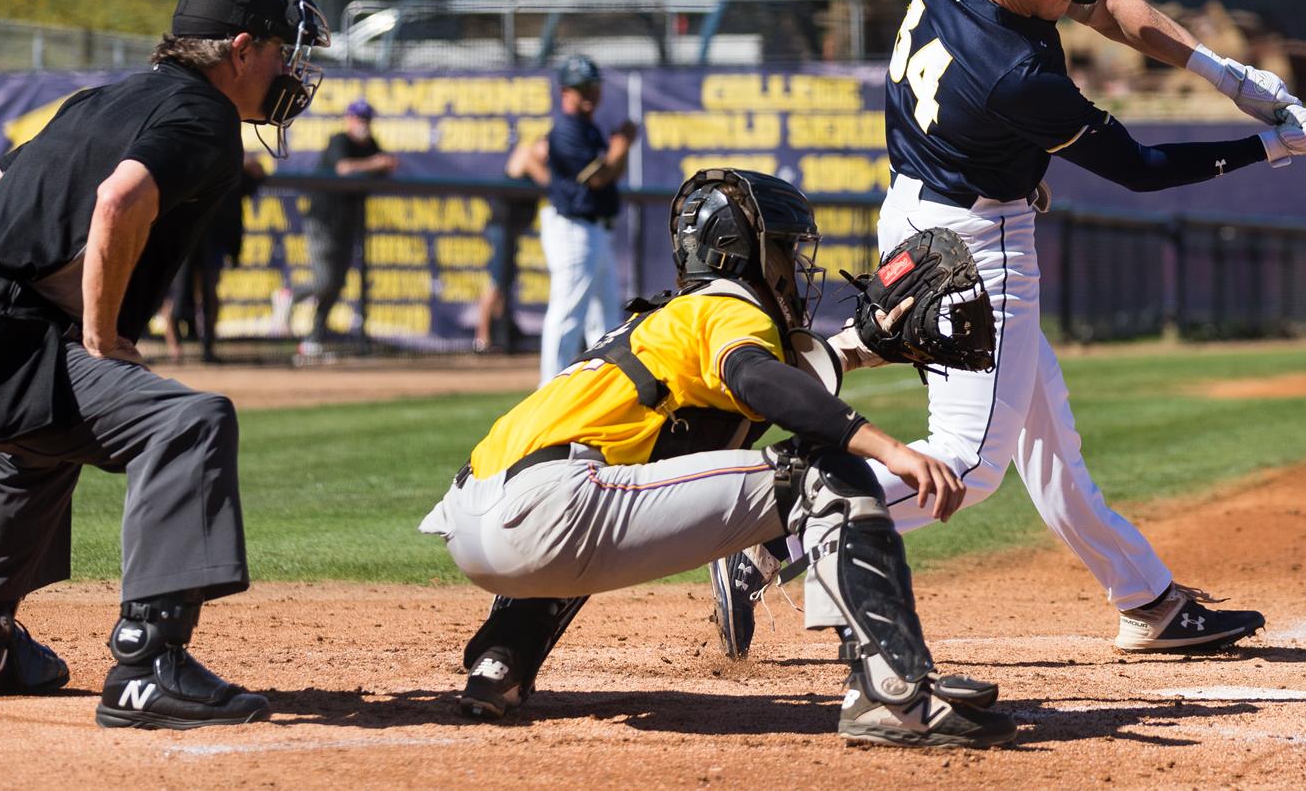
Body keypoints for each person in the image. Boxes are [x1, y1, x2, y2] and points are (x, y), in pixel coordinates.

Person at [709, 0, 1306, 657]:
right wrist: (1269, 145)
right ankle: (769, 542)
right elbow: (1138, 168)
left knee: (1050, 445)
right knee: (968, 467)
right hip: (975, 249)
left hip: (914, 210)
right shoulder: (1015, 77)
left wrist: (1226, 76)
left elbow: (1113, 6)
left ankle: (1148, 601)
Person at [419, 168, 1015, 748]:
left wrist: (855, 351)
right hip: (552, 510)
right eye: (783, 248)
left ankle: (503, 661)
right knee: (825, 473)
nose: (794, 266)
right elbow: (758, 380)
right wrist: (887, 448)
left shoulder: (665, 322)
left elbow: (761, 384)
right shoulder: (730, 307)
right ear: (743, 252)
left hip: (478, 522)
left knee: (605, 485)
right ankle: (894, 693)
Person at [0, 0, 328, 729]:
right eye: (283, 50)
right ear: (241, 49)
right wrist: (95, 335)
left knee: (37, 441)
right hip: (2, 332)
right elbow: (120, 198)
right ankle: (149, 664)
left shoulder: (102, 100)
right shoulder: (205, 117)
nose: (290, 69)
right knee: (188, 422)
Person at [538, 53, 639, 383]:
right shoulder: (566, 130)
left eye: (593, 86)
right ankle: (548, 390)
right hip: (572, 227)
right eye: (583, 88)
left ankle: (602, 388)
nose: (591, 94)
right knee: (568, 313)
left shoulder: (588, 128)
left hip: (595, 229)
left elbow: (611, 173)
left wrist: (618, 151)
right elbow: (597, 176)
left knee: (606, 318)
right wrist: (621, 146)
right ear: (565, 91)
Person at [300, 100, 397, 357]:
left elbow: (386, 164)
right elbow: (344, 168)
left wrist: (381, 163)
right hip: (322, 220)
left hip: (347, 221)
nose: (363, 124)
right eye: (359, 118)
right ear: (349, 119)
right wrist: (377, 163)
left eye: (367, 119)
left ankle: (313, 337)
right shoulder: (340, 139)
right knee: (326, 280)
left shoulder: (370, 144)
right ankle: (292, 294)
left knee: (337, 282)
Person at [162, 156, 266, 365]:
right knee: (178, 295)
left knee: (209, 291)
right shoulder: (188, 159)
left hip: (213, 236)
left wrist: (247, 162)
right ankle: (175, 350)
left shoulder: (230, 165)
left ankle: (208, 347)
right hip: (184, 235)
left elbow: (257, 174)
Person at [475, 135, 547, 354]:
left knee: (505, 282)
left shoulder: (539, 160)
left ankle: (500, 334)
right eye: (547, 147)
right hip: (502, 227)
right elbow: (548, 181)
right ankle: (482, 338)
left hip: (511, 230)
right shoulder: (526, 153)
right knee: (496, 281)